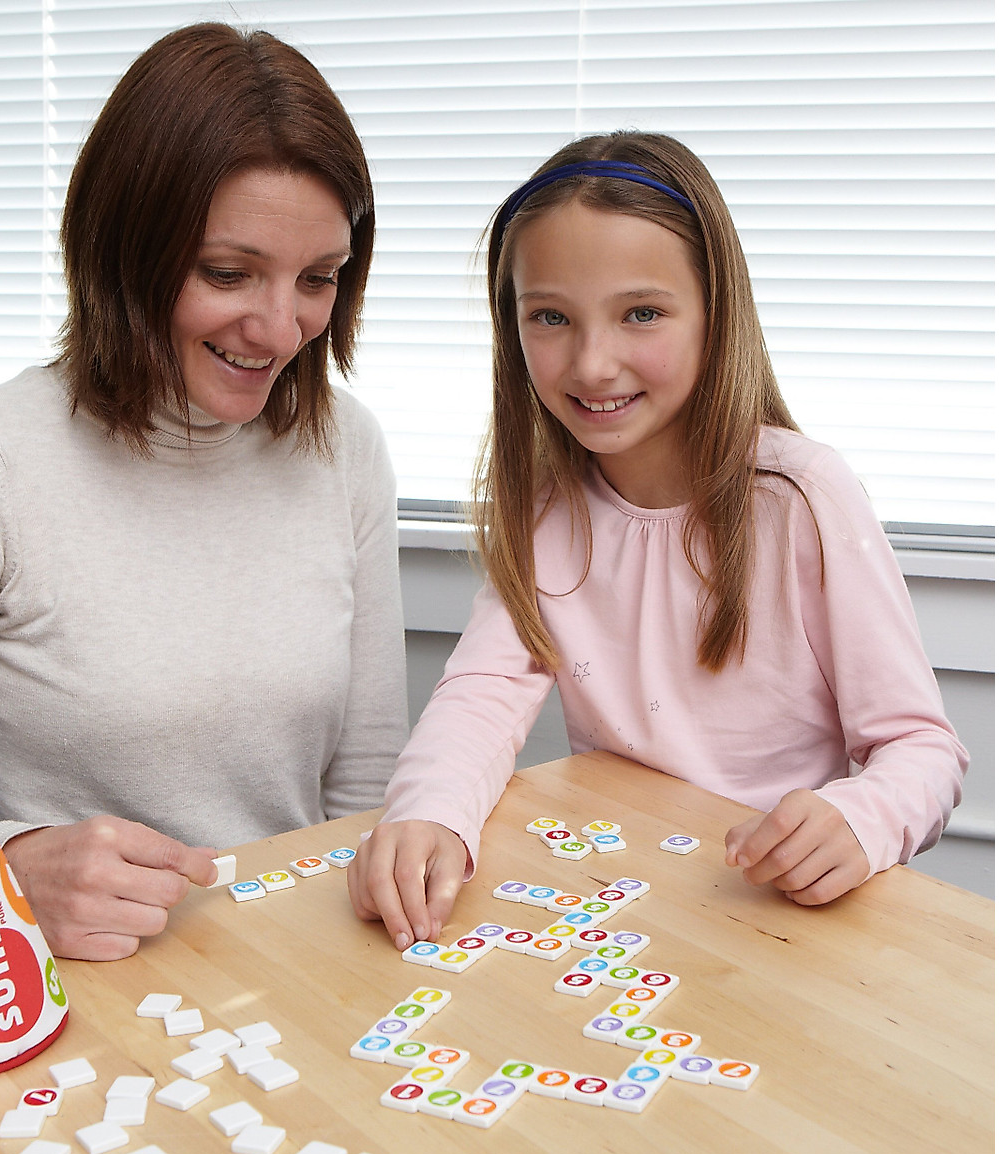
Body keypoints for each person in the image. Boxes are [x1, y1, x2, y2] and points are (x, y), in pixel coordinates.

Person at [0, 23, 408, 961]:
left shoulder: (345, 447)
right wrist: (7, 873)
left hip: (292, 980)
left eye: (320, 280)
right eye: (228, 273)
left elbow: (364, 804)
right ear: (122, 250)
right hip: (62, 998)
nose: (281, 327)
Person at [348, 131, 968, 950]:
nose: (594, 362)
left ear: (717, 311)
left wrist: (862, 818)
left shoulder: (804, 496)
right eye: (550, 317)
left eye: (641, 313)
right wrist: (430, 812)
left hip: (772, 923)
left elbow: (921, 747)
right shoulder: (546, 507)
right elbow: (482, 695)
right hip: (630, 914)